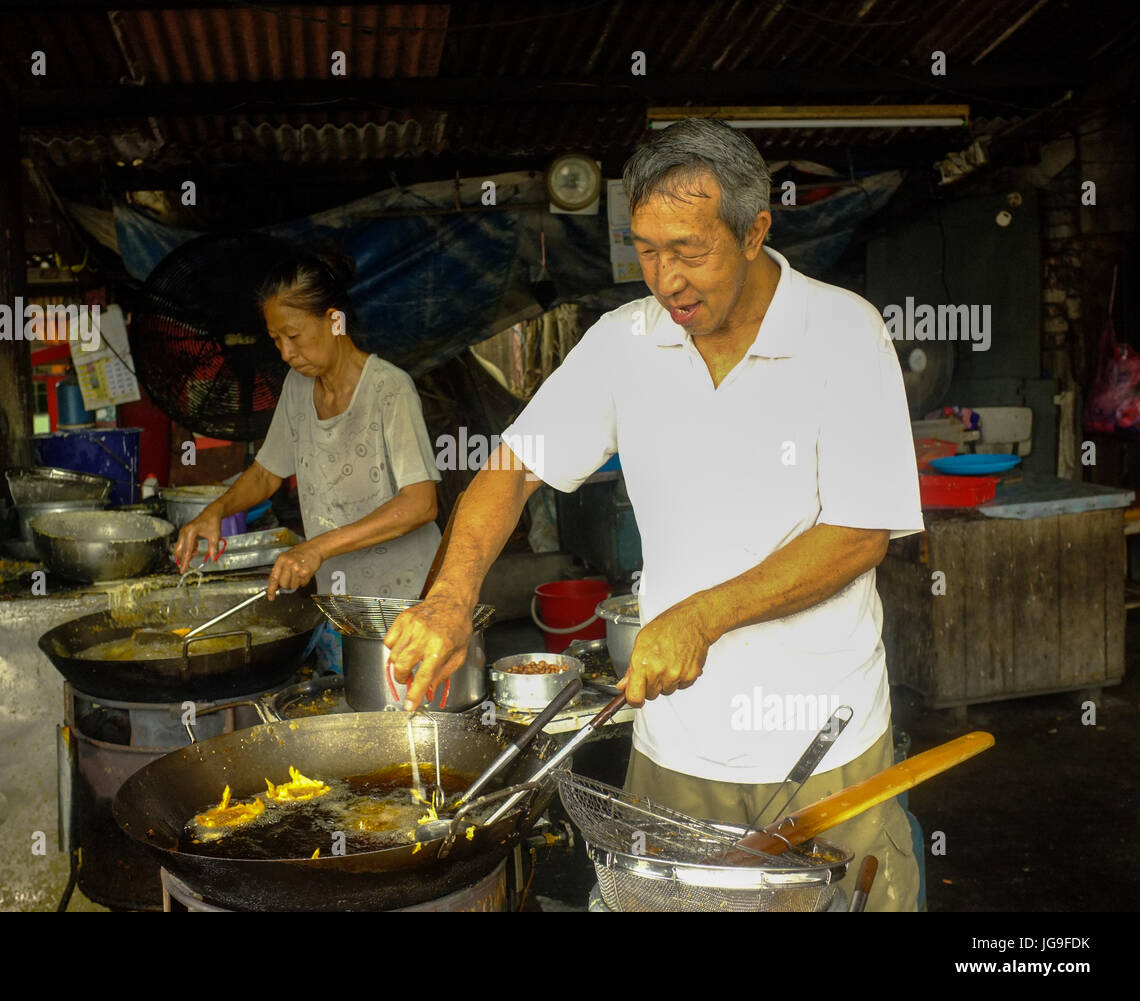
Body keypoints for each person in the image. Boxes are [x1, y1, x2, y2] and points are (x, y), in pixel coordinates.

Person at [382, 119, 925, 910]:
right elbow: (508, 470)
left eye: (688, 249)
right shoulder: (623, 343)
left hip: (826, 746)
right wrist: (450, 599)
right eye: (645, 248)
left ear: (754, 230)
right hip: (678, 749)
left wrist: (702, 617)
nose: (665, 278)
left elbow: (858, 533)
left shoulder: (844, 333)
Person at [174, 249, 443, 667]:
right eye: (276, 339)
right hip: (343, 605)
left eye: (294, 336)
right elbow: (267, 472)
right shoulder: (298, 388)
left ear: (335, 321)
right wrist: (216, 510)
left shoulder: (390, 389)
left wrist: (316, 548)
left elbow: (421, 504)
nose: (285, 352)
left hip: (411, 601)